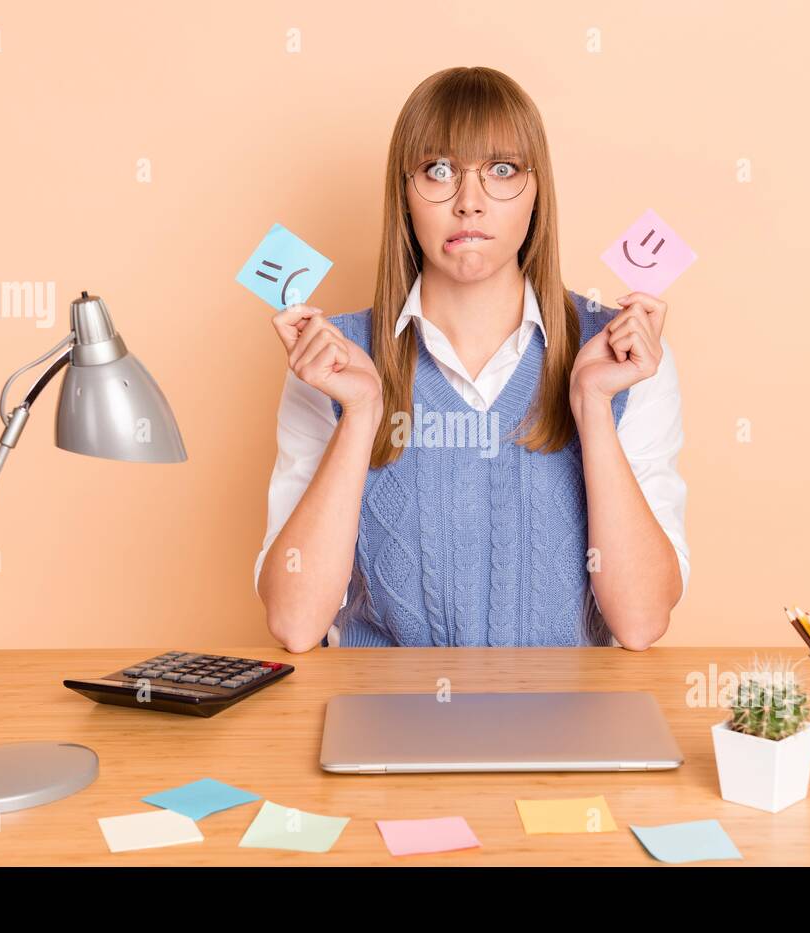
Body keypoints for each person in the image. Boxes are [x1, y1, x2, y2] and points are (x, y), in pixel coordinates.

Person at [255, 66, 688, 651]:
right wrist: (362, 413)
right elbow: (295, 625)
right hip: (388, 719)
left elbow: (640, 624)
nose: (470, 203)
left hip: (566, 721)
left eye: (502, 171)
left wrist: (591, 404)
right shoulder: (330, 363)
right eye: (438, 171)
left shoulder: (622, 359)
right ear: (404, 197)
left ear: (537, 193)